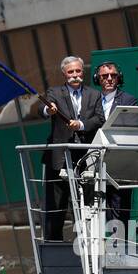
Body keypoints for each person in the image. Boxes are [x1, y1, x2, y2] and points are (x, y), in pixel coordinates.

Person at [41, 56, 105, 241]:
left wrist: (82, 125)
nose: (75, 75)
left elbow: (99, 119)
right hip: (60, 156)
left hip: (85, 156)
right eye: (71, 72)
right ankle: (54, 242)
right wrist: (49, 110)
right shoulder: (54, 92)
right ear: (64, 74)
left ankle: (85, 240)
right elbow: (42, 109)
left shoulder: (94, 94)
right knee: (57, 202)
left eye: (77, 71)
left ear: (82, 72)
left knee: (84, 200)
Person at [94, 61, 137, 236]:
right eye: (105, 76)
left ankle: (120, 248)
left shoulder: (128, 99)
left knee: (120, 206)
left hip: (120, 161)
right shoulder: (93, 99)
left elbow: (130, 128)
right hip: (96, 161)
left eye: (114, 75)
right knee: (98, 206)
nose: (110, 79)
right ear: (98, 79)